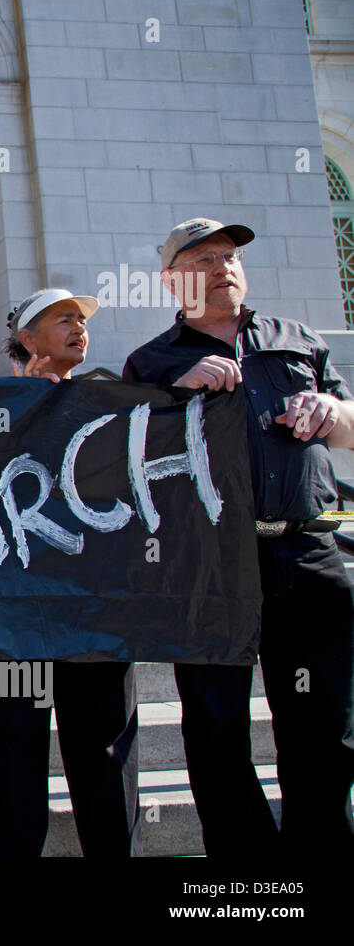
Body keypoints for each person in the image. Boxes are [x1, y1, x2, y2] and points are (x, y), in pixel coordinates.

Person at [124, 216, 354, 855]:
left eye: (229, 256)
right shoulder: (152, 362)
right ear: (172, 281)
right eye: (202, 260)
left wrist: (334, 413)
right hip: (211, 565)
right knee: (217, 728)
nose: (222, 267)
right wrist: (178, 394)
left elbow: (350, 425)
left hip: (306, 554)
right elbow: (128, 456)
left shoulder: (296, 339)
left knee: (323, 728)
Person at [0, 288, 140, 856]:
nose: (79, 327)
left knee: (105, 758)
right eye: (63, 319)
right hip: (8, 620)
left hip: (93, 613)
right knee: (8, 762)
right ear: (26, 339)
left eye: (82, 320)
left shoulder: (111, 401)